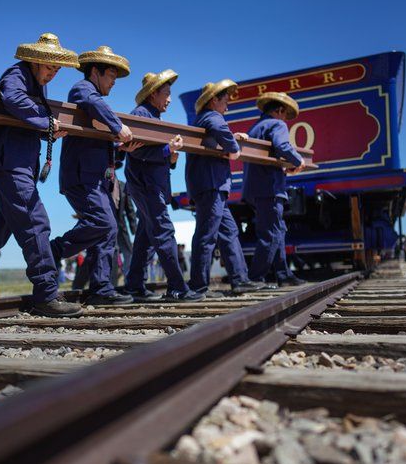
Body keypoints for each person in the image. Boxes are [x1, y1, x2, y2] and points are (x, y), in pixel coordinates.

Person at [0, 33, 83, 318]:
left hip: (13, 166)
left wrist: (46, 128)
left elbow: (23, 120)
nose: (53, 73)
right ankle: (46, 294)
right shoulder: (17, 75)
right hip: (11, 167)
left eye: (57, 69)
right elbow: (13, 98)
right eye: (50, 67)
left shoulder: (36, 83)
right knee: (35, 221)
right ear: (36, 60)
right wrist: (46, 121)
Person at [50, 46, 140, 305]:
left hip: (97, 179)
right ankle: (54, 250)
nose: (114, 81)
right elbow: (90, 102)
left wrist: (120, 149)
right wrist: (118, 127)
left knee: (107, 231)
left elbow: (105, 151)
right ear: (95, 72)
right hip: (81, 177)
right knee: (104, 223)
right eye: (111, 75)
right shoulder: (82, 90)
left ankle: (102, 288)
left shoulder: (99, 107)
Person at [122, 69, 203, 303]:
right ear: (153, 94)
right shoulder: (141, 115)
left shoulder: (152, 117)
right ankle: (177, 288)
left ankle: (134, 285)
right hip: (146, 186)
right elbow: (137, 152)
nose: (169, 99)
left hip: (148, 185)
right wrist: (169, 150)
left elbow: (154, 156)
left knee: (145, 237)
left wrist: (172, 156)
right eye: (166, 93)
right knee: (164, 232)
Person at [187, 79, 264, 296]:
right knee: (206, 235)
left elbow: (216, 136)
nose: (227, 107)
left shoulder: (205, 118)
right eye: (225, 102)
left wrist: (232, 138)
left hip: (213, 186)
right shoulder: (212, 116)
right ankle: (198, 286)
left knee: (229, 231)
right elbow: (219, 129)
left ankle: (240, 279)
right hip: (211, 185)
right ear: (214, 100)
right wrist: (233, 147)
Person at [242, 92, 306, 287]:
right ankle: (255, 277)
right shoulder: (277, 124)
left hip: (255, 189)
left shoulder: (255, 127)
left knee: (278, 230)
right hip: (269, 188)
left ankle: (283, 274)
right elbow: (282, 145)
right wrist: (298, 160)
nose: (285, 119)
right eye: (285, 114)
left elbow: (267, 157)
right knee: (271, 234)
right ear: (279, 110)